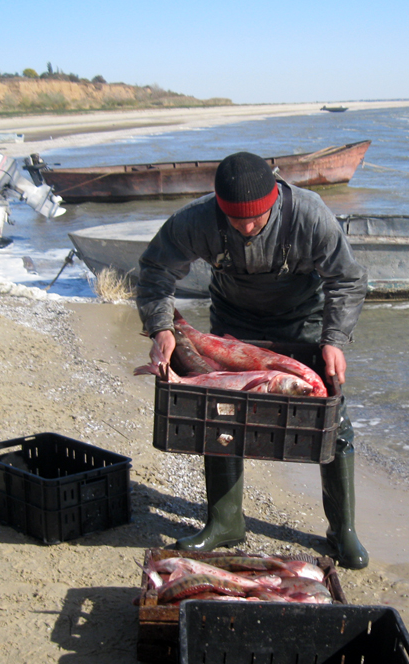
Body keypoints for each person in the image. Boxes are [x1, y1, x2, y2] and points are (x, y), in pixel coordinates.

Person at [136, 151, 370, 569]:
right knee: (222, 415)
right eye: (235, 221)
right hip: (235, 322)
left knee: (331, 417)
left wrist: (334, 340)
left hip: (302, 321)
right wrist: (161, 329)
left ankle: (342, 531)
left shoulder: (310, 216)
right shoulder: (196, 220)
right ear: (218, 208)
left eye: (255, 220)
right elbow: (155, 271)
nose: (246, 228)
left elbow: (346, 278)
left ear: (275, 199)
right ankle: (225, 521)